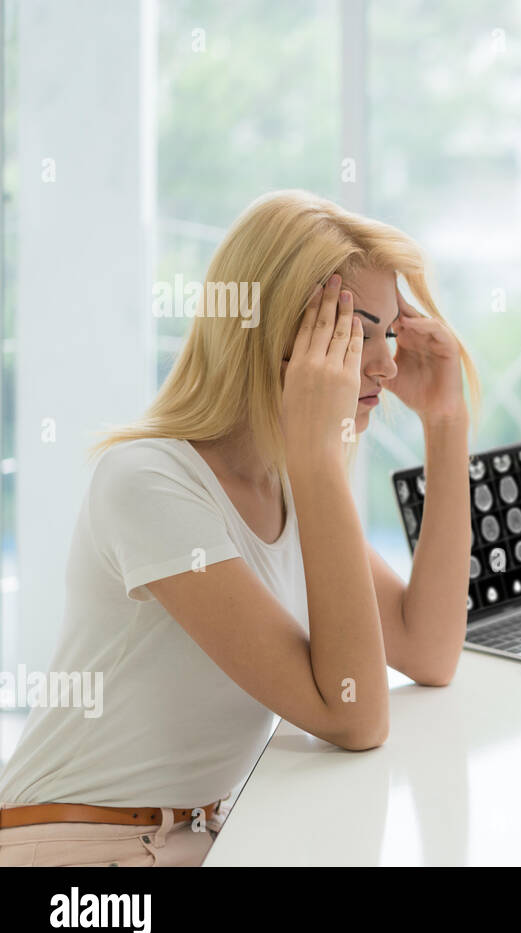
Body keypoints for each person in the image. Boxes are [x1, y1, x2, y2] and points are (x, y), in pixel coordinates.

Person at [0, 189, 478, 866]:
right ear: (276, 331)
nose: (386, 362)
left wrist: (446, 423)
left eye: (392, 331)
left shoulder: (279, 484)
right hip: (74, 846)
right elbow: (354, 715)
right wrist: (318, 457)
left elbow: (429, 648)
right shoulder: (149, 483)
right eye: (357, 330)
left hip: (197, 836)